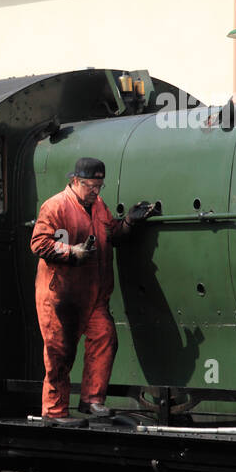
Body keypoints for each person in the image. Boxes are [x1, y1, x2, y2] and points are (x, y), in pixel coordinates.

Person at [29, 158, 159, 425]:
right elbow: (38, 243)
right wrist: (71, 252)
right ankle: (54, 413)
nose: (97, 191)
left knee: (105, 338)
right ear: (75, 181)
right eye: (91, 186)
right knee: (60, 354)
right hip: (60, 297)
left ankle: (92, 400)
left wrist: (130, 223)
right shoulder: (55, 206)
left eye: (100, 185)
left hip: (94, 294)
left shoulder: (99, 207)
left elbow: (111, 232)